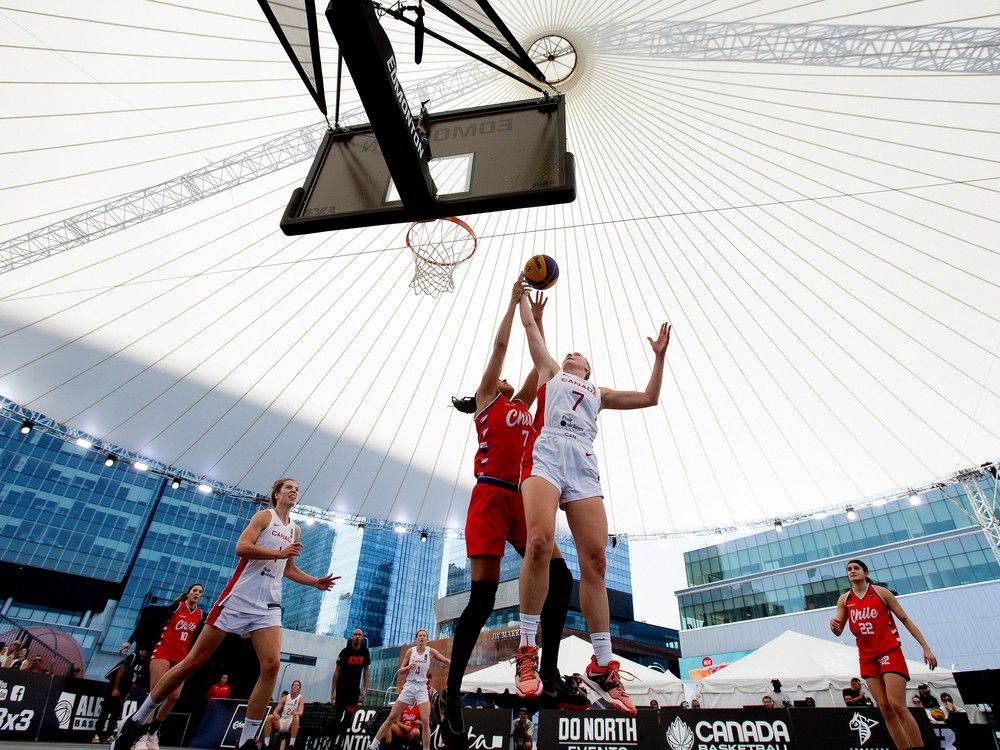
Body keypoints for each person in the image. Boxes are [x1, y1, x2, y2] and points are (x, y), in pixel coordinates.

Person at [513, 288, 671, 718]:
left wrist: (658, 357)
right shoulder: (548, 371)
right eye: (567, 353)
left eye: (577, 356)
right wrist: (519, 297)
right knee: (540, 543)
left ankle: (602, 664)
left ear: (587, 369)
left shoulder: (597, 392)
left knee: (596, 560)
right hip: (546, 452)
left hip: (582, 460)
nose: (570, 356)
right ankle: (528, 649)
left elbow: (649, 398)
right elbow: (530, 329)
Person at [441, 277, 586, 745]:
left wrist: (537, 321)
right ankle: (451, 692)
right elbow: (503, 345)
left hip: (522, 498)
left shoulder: (522, 403)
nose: (506, 379)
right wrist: (510, 304)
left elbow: (537, 366)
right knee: (481, 600)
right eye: (501, 378)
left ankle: (546, 673)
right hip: (488, 497)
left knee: (562, 578)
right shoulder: (489, 400)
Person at [114, 477, 339, 750]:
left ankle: (247, 742)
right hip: (238, 597)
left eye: (297, 488)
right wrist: (277, 553)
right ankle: (137, 721)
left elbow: (288, 569)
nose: (294, 490)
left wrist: (315, 581)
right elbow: (241, 548)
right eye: (289, 487)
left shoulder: (295, 529)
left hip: (268, 603)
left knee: (271, 666)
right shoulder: (263, 517)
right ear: (277, 493)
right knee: (193, 662)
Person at [830, 559, 937, 750]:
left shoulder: (881, 593)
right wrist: (834, 627)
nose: (852, 571)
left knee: (897, 705)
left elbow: (904, 619)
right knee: (885, 709)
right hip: (867, 656)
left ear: (865, 572)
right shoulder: (844, 599)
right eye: (849, 569)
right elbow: (839, 631)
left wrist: (925, 647)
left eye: (856, 568)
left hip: (889, 650)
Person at [135, 583, 206, 750]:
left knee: (174, 696)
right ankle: (141, 736)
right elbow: (150, 618)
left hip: (181, 658)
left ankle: (153, 731)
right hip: (163, 652)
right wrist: (137, 643)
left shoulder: (200, 614)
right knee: (155, 695)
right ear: (188, 593)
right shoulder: (176, 607)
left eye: (200, 592)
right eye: (195, 590)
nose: (197, 593)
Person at [368, 629, 449, 750]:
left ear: (427, 639)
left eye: (424, 636)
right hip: (409, 686)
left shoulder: (430, 651)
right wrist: (407, 667)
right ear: (416, 638)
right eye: (420, 636)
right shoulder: (410, 652)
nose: (422, 637)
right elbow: (401, 670)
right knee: (391, 717)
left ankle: (426, 749)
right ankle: (373, 745)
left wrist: (453, 664)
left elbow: (446, 661)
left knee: (426, 721)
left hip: (422, 687)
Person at [94, 648, 150, 743]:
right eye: (147, 652)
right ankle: (97, 734)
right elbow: (121, 671)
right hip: (116, 686)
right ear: (144, 651)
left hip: (125, 689)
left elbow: (134, 679)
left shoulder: (143, 663)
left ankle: (109, 735)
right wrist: (115, 688)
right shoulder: (133, 656)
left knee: (116, 713)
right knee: (106, 710)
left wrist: (128, 693)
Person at [330, 628, 371, 750]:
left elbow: (366, 670)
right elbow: (336, 671)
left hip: (353, 693)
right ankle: (332, 744)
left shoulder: (365, 652)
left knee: (348, 718)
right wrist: (333, 691)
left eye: (360, 635)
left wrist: (365, 687)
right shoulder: (344, 652)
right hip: (341, 690)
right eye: (355, 634)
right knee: (337, 716)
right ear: (352, 637)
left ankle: (340, 744)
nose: (357, 636)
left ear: (362, 638)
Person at [264, 680, 305, 750]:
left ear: (299, 688)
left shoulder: (300, 698)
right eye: (294, 685)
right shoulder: (285, 697)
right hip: (282, 721)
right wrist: (276, 714)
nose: (296, 686)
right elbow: (275, 711)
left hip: (291, 723)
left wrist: (296, 713)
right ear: (292, 687)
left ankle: (291, 744)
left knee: (297, 717)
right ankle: (266, 743)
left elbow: (301, 712)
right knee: (269, 717)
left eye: (297, 685)